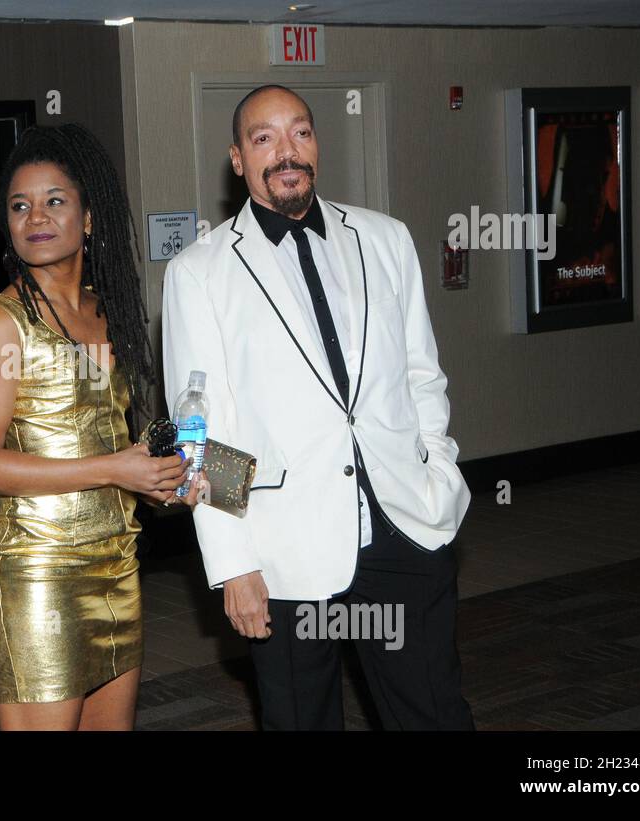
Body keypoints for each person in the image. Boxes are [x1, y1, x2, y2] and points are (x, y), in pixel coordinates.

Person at [162, 85, 474, 730]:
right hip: (286, 549)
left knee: (435, 714)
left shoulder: (385, 239)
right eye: (264, 138)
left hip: (404, 529)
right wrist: (234, 564)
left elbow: (422, 376)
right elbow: (202, 431)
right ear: (238, 159)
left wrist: (439, 472)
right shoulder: (200, 271)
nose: (286, 151)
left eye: (299, 132)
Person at [0, 123, 200, 731]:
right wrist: (115, 467)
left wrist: (148, 475)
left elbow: (99, 435)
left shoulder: (103, 311)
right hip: (37, 567)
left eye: (54, 200)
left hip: (115, 558)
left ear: (89, 219)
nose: (35, 216)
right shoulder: (2, 324)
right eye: (20, 205)